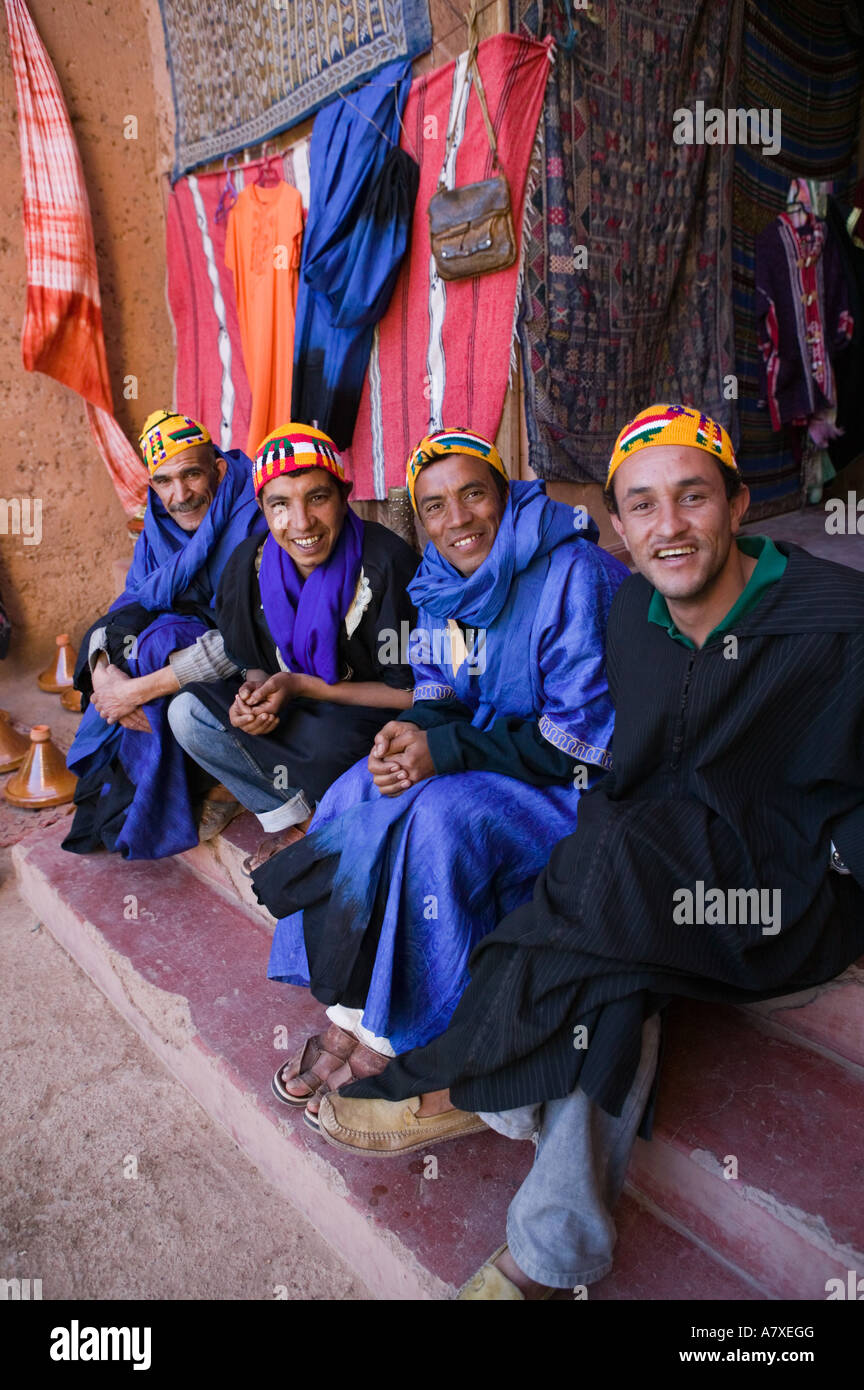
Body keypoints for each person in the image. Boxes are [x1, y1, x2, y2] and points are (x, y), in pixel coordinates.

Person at [310, 403, 864, 1300]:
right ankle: (548, 1253)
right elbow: (629, 772)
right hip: (655, 878)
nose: (669, 527)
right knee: (611, 933)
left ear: (739, 503)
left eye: (693, 498)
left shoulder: (834, 619)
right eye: (642, 506)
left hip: (779, 897)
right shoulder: (639, 616)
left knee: (607, 884)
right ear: (618, 523)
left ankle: (479, 1075)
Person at [252, 427, 628, 1122]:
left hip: (565, 789)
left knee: (436, 820)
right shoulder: (439, 583)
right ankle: (351, 1009)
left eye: (473, 494)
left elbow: (582, 745)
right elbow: (436, 693)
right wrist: (411, 732)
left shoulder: (574, 573)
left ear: (505, 493)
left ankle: (409, 1030)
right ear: (419, 519)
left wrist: (447, 752)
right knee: (355, 788)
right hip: (486, 761)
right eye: (434, 507)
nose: (457, 520)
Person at [167, 423, 418, 871]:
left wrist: (303, 687)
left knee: (333, 743)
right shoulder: (250, 564)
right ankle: (293, 811)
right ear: (262, 508)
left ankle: (323, 820)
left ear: (344, 498)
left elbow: (412, 694)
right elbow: (256, 664)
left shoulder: (386, 564)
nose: (301, 523)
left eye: (317, 497)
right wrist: (255, 696)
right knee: (188, 715)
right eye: (280, 504)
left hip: (366, 719)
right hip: (297, 702)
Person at [63, 411, 266, 860]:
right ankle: (143, 800)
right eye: (164, 481)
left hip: (257, 666)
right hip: (180, 665)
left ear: (216, 468)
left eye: (192, 474)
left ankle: (202, 787)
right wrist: (104, 679)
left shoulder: (255, 515)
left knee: (157, 648)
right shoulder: (158, 524)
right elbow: (129, 606)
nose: (180, 495)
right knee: (129, 643)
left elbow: (253, 637)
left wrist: (137, 690)